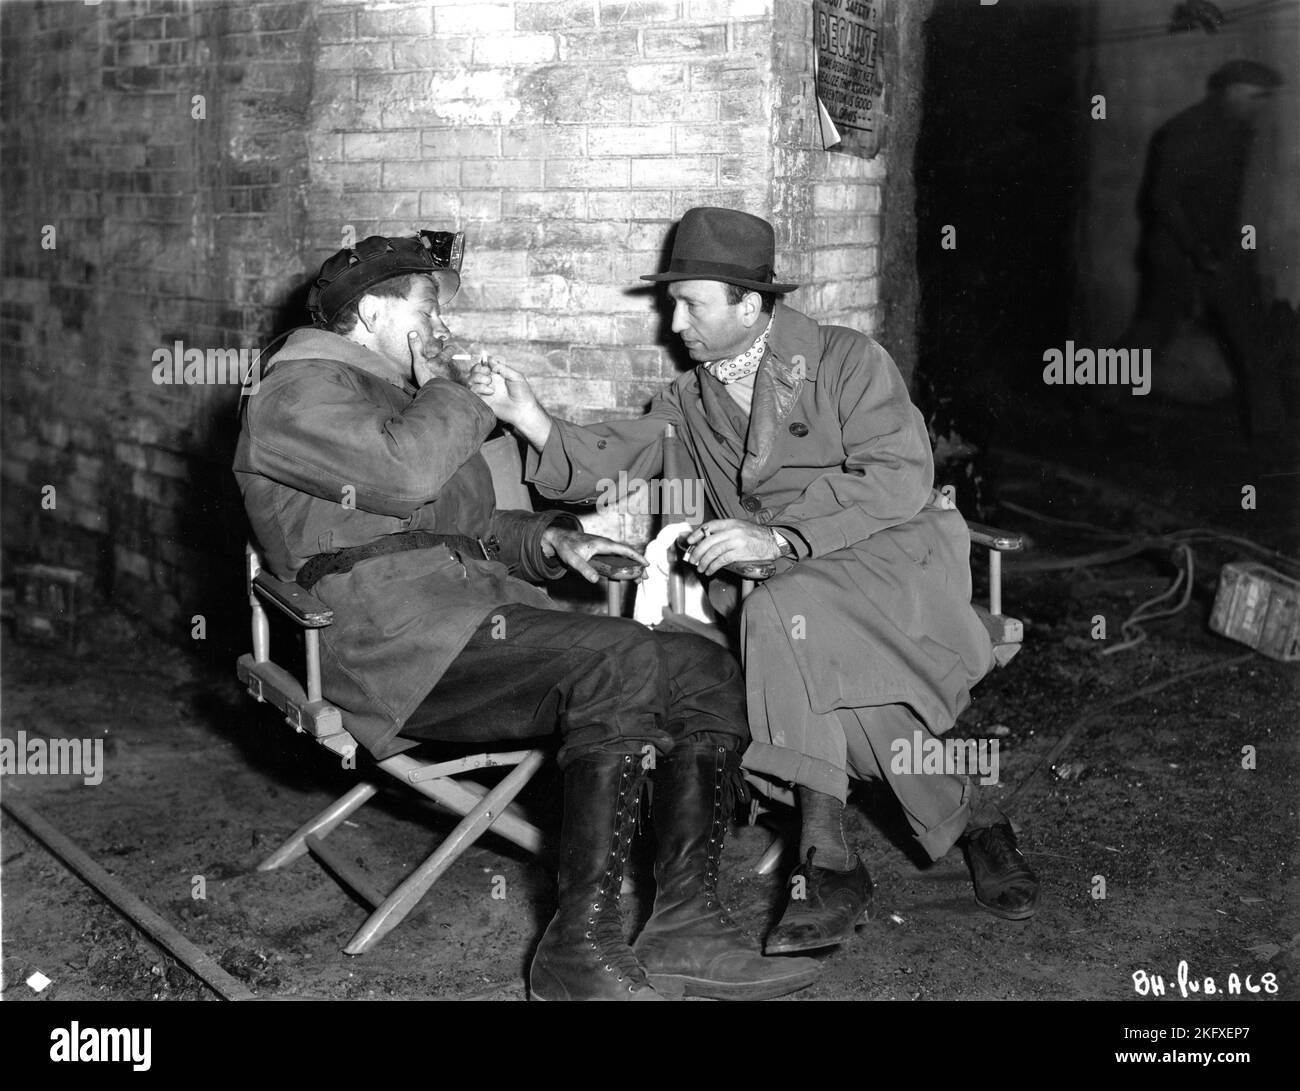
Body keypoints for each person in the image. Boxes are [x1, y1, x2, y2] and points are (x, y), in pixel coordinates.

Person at [233, 229, 819, 1001]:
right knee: (619, 656)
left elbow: (462, 525)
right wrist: (451, 383)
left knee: (704, 667)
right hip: (386, 646)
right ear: (372, 312)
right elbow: (408, 476)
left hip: (463, 624)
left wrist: (559, 544)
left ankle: (687, 930)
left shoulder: (394, 396)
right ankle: (577, 946)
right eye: (426, 307)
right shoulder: (295, 393)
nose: (439, 324)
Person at [471, 207, 1041, 958]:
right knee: (816, 655)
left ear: (751, 304)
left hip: (887, 565)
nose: (676, 323)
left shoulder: (847, 361)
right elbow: (612, 454)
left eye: (692, 303)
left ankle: (827, 855)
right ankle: (965, 820)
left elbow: (898, 477)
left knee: (779, 602)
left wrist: (778, 536)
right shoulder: (691, 399)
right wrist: (532, 419)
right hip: (789, 595)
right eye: (674, 303)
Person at [1124, 59, 1286, 441]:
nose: (1260, 105)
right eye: (1254, 97)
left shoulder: (1240, 131)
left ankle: (1271, 436)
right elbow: (1163, 197)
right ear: (1229, 93)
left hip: (1223, 253)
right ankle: (1097, 399)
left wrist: (1242, 249)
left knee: (1252, 341)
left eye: (1264, 98)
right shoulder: (1184, 130)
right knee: (1151, 334)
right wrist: (1195, 248)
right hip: (1176, 252)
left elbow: (1236, 200)